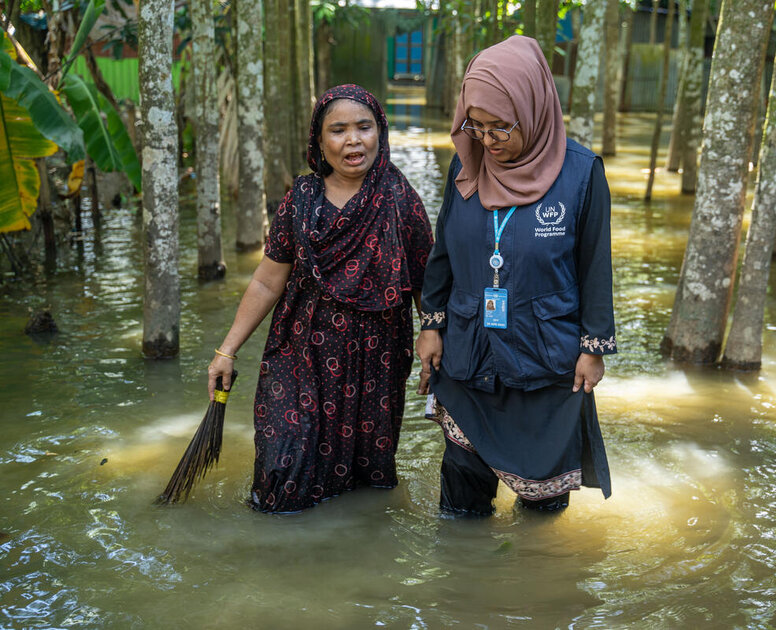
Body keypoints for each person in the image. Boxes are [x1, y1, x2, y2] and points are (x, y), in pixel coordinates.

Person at [208, 84, 433, 514]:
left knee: (360, 487)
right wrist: (227, 350)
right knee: (281, 480)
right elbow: (266, 282)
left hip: (376, 362)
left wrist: (434, 343)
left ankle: (348, 568)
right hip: (299, 352)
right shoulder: (301, 198)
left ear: (380, 133)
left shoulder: (398, 197)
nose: (353, 140)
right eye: (339, 130)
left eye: (364, 127)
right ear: (319, 141)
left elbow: (426, 283)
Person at [415, 36, 616, 515]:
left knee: (542, 517)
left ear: (532, 109)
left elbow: (595, 268)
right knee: (460, 511)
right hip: (469, 354)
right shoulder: (467, 165)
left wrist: (594, 348)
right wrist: (431, 324)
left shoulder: (582, 174)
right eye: (476, 126)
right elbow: (443, 252)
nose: (487, 141)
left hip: (546, 362)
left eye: (500, 128)